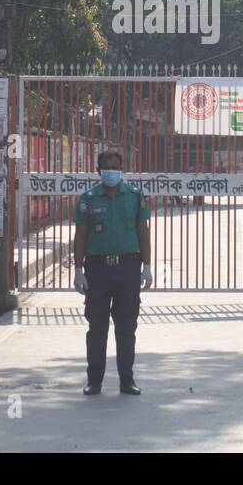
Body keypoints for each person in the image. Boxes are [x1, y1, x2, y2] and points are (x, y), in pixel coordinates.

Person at [72, 149, 153, 395]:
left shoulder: (135, 196)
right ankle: (94, 380)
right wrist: (77, 269)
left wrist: (147, 266)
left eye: (116, 167)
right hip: (97, 270)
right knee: (97, 327)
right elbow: (81, 235)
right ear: (98, 171)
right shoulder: (88, 199)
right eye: (107, 168)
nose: (112, 172)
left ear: (122, 170)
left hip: (128, 268)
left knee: (127, 326)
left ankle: (126, 380)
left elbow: (143, 231)